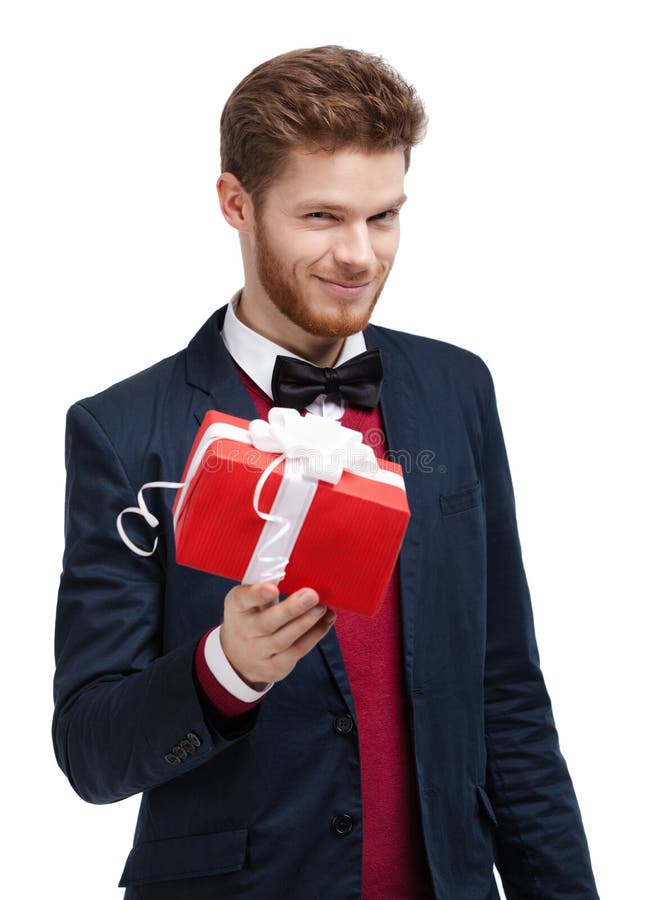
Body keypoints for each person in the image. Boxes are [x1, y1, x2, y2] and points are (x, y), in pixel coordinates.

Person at [52, 46, 599, 900]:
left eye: (383, 217)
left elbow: (507, 691)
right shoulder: (125, 432)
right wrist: (223, 668)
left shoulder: (457, 390)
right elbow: (90, 751)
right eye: (321, 217)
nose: (360, 255)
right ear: (237, 203)